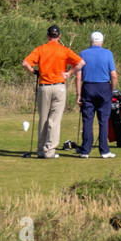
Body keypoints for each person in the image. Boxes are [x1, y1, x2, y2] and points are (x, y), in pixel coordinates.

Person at [21, 25, 84, 159]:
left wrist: (34, 72)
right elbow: (81, 63)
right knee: (54, 120)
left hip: (44, 87)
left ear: (48, 36)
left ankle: (40, 150)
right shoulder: (64, 50)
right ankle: (49, 151)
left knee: (43, 119)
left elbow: (25, 63)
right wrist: (69, 73)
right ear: (59, 36)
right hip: (59, 87)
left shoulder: (41, 49)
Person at [76, 30, 118, 159]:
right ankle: (104, 151)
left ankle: (85, 150)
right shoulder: (108, 53)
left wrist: (78, 94)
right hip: (104, 87)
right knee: (103, 120)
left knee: (87, 120)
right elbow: (114, 75)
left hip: (88, 87)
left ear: (91, 41)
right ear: (102, 41)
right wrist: (111, 89)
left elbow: (78, 76)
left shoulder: (83, 53)